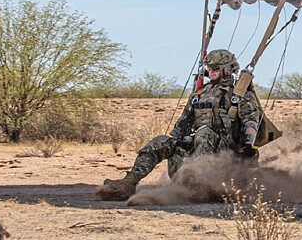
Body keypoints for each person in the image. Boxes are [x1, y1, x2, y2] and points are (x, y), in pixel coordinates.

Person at [95, 48, 263, 201]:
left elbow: (251, 122)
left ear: (227, 69)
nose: (210, 72)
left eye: (215, 68)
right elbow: (181, 126)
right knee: (162, 141)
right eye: (208, 69)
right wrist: (174, 142)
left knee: (204, 133)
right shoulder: (198, 95)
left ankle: (199, 185)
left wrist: (248, 143)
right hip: (192, 157)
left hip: (225, 160)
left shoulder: (240, 96)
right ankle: (128, 183)